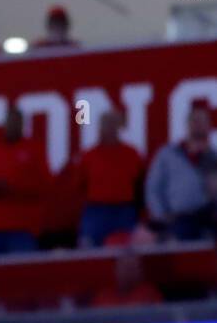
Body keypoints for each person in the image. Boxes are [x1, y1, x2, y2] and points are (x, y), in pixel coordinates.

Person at [0, 104, 49, 255]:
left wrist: (10, 187)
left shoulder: (34, 150)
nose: (12, 125)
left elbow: (44, 185)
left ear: (23, 124)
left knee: (21, 275)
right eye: (10, 121)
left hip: (22, 228)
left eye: (16, 121)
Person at [145, 102, 217, 240]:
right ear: (187, 124)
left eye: (202, 121)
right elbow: (153, 187)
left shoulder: (213, 156)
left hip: (209, 216)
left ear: (209, 126)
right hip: (179, 217)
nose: (198, 125)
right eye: (195, 120)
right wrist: (161, 214)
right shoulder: (168, 154)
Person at [74, 109, 144, 247]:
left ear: (120, 126)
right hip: (96, 210)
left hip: (124, 210)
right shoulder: (88, 155)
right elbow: (79, 185)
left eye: (113, 123)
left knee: (128, 250)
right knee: (90, 251)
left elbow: (139, 182)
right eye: (105, 124)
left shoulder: (131, 154)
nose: (109, 128)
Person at [91, 250, 163, 309]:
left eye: (132, 268)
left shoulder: (150, 295)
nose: (128, 272)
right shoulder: (103, 297)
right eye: (125, 268)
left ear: (140, 271)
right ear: (116, 270)